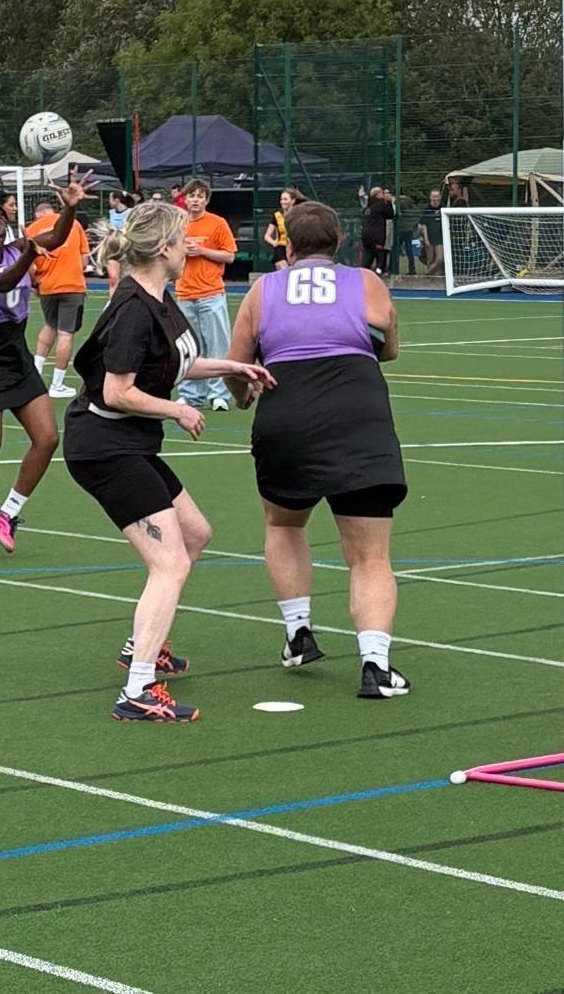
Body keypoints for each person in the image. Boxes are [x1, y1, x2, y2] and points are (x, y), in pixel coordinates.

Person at [62, 202, 274, 722]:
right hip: (103, 445)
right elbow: (117, 391)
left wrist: (234, 364)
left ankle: (143, 645)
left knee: (195, 533)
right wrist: (177, 409)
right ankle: (137, 689)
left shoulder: (159, 299)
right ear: (162, 250)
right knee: (170, 561)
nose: (189, 248)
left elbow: (178, 362)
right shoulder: (134, 308)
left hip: (128, 442)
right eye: (183, 242)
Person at [226, 200, 410, 699]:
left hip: (288, 409)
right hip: (357, 408)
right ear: (339, 244)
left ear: (287, 245)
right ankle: (375, 665)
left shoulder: (263, 289)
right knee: (370, 555)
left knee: (284, 524)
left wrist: (244, 398)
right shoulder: (364, 281)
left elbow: (237, 366)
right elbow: (387, 344)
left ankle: (298, 632)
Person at [0, 177, 92, 557]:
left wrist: (70, 205)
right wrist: (32, 253)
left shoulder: (19, 247)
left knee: (48, 438)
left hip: (15, 355)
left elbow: (56, 236)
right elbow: (1, 281)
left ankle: (8, 512)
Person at [177, 178, 237, 414]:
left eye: (200, 196)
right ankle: (191, 394)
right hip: (184, 292)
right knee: (190, 347)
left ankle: (219, 394)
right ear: (185, 198)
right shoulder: (177, 223)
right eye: (191, 196)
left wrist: (202, 251)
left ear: (206, 200)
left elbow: (230, 256)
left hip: (211, 293)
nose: (195, 200)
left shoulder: (217, 223)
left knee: (218, 346)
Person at [28, 197, 90, 399]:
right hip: (71, 285)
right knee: (65, 334)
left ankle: (35, 374)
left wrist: (35, 283)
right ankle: (57, 383)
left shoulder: (31, 230)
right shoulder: (74, 224)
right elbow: (84, 260)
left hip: (47, 285)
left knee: (49, 326)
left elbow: (30, 265)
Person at [262, 188, 304, 269]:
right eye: (281, 199)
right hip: (281, 247)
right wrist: (274, 243)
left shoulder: (299, 215)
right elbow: (267, 236)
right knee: (284, 271)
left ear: (293, 201)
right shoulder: (277, 215)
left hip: (295, 248)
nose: (282, 202)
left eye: (285, 199)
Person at [357, 186, 393, 276]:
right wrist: (389, 202)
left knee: (368, 256)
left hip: (366, 236)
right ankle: (379, 273)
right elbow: (390, 214)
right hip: (376, 236)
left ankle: (364, 274)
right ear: (378, 195)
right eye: (382, 193)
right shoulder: (381, 205)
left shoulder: (369, 207)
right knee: (380, 256)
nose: (384, 195)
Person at [419, 188, 445, 278]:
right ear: (430, 197)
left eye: (437, 196)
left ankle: (427, 275)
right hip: (429, 237)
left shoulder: (444, 208)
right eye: (433, 196)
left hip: (440, 238)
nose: (435, 198)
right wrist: (425, 239)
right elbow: (422, 225)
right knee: (430, 260)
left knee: (440, 259)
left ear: (440, 197)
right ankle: (431, 280)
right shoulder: (427, 209)